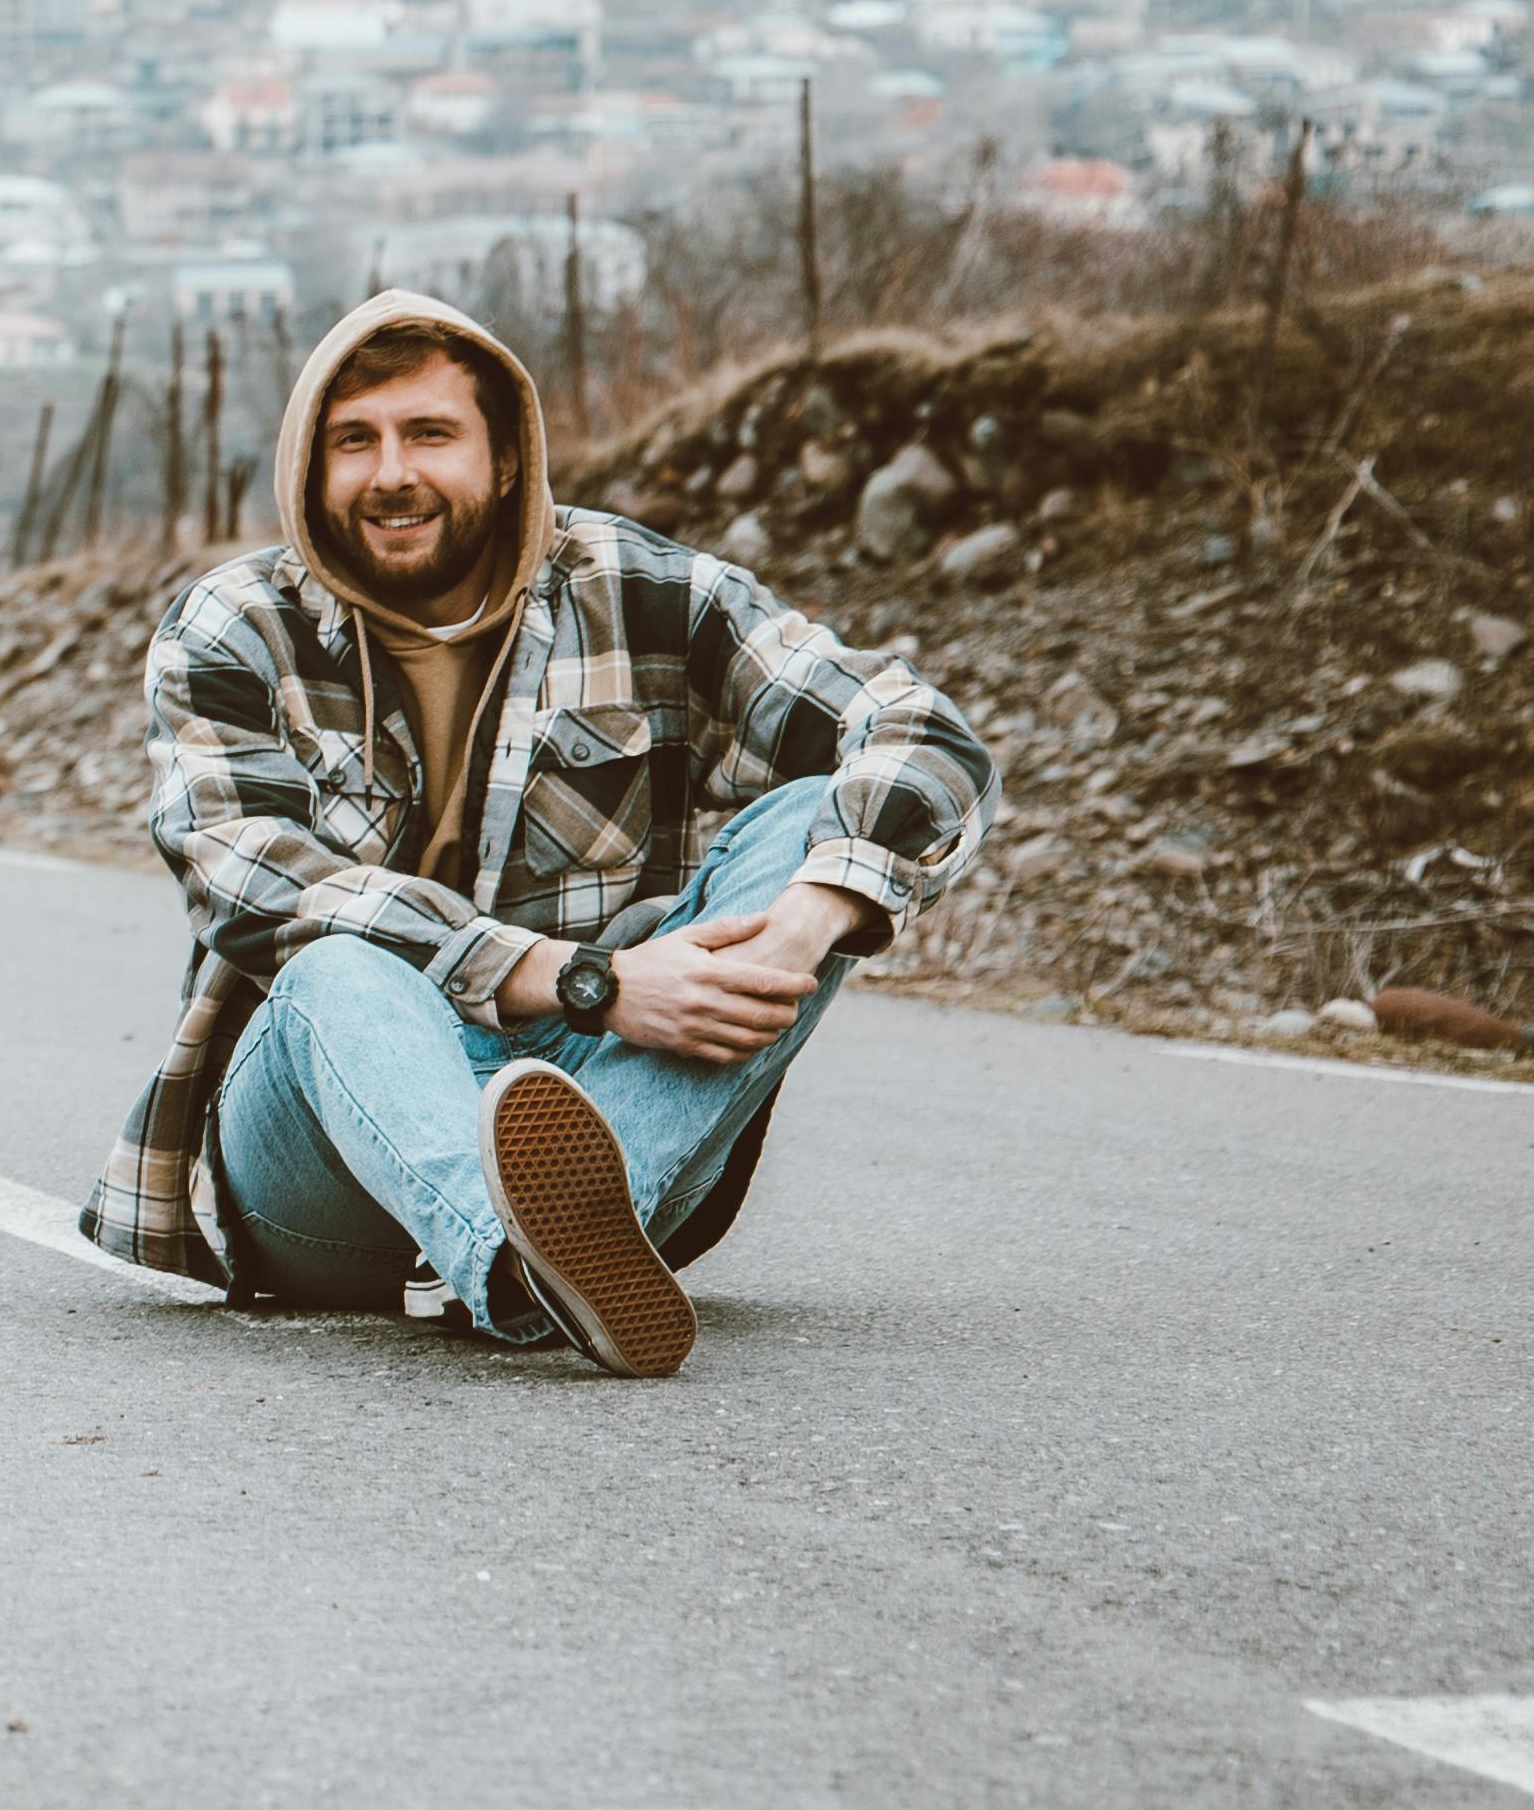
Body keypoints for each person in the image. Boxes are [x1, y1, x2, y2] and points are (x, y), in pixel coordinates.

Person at [86, 292, 995, 1373]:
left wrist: (802, 931)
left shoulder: (639, 591)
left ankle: (561, 1242)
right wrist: (594, 983)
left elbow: (924, 732)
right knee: (338, 959)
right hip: (324, 1174)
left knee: (818, 825)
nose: (390, 474)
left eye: (430, 434)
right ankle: (519, 1261)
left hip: (600, 1110)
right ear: (310, 468)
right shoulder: (235, 625)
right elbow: (256, 883)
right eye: (353, 442)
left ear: (507, 459)